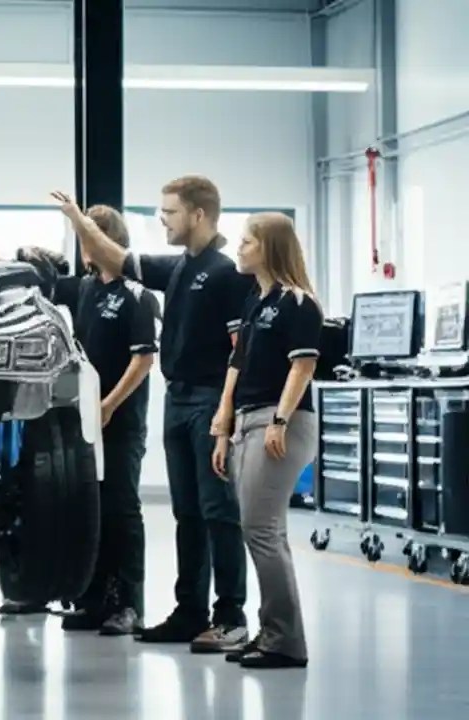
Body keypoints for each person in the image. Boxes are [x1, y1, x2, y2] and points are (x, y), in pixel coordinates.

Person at [55, 176, 255, 654]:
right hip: (179, 399)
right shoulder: (178, 268)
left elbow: (240, 351)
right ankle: (191, 611)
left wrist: (225, 414)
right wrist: (80, 224)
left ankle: (231, 615)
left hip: (210, 401)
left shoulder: (227, 273)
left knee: (218, 512)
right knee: (188, 512)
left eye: (170, 212)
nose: (162, 220)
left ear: (198, 215)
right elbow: (118, 258)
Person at [210, 212, 320, 669]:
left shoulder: (298, 302)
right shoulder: (256, 302)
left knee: (261, 531)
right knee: (262, 530)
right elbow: (237, 364)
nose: (239, 248)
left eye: (247, 241)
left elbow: (303, 366)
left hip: (280, 423)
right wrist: (223, 421)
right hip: (247, 420)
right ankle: (274, 632)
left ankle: (284, 641)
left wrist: (279, 419)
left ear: (269, 247)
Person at [49, 204, 159, 636]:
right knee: (90, 509)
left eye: (87, 237)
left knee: (121, 509)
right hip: (84, 420)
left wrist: (110, 404)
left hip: (121, 421)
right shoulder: (84, 289)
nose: (83, 248)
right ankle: (94, 601)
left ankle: (129, 604)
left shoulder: (138, 295)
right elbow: (25, 281)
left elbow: (143, 360)